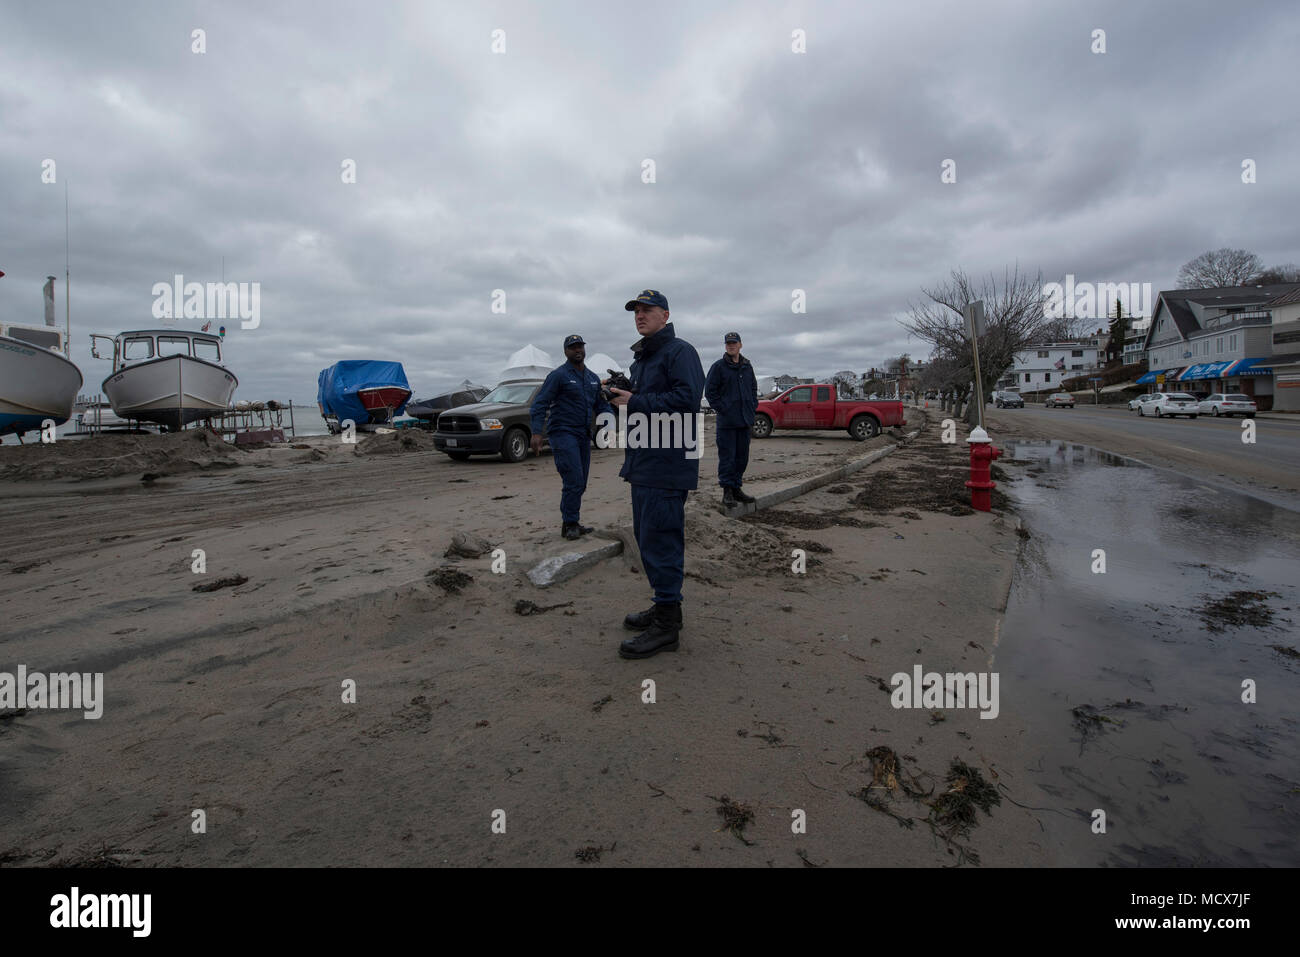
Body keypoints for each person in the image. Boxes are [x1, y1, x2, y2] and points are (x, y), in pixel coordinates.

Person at [606, 289, 705, 660]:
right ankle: (663, 606)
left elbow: (687, 401)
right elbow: (648, 400)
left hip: (668, 463)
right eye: (635, 310)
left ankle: (668, 625)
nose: (639, 315)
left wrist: (636, 400)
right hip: (644, 461)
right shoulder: (644, 358)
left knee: (662, 540)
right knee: (648, 539)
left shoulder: (680, 351)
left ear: (665, 314)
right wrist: (623, 392)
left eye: (647, 310)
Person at [529, 334, 611, 540]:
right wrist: (537, 432)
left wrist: (608, 417)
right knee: (573, 479)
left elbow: (600, 404)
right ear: (565, 351)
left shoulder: (592, 378)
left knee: (581, 482)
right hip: (563, 433)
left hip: (583, 435)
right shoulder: (558, 376)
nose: (577, 350)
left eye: (580, 346)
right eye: (573, 347)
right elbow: (540, 403)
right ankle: (570, 523)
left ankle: (572, 521)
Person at [704, 331, 759, 507]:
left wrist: (752, 407)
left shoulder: (747, 366)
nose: (731, 345)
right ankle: (727, 492)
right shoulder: (718, 367)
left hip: (744, 421)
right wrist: (724, 409)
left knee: (742, 458)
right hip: (727, 422)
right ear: (725, 346)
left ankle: (737, 489)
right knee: (728, 458)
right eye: (728, 343)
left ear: (740, 345)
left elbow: (752, 388)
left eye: (734, 343)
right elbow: (710, 392)